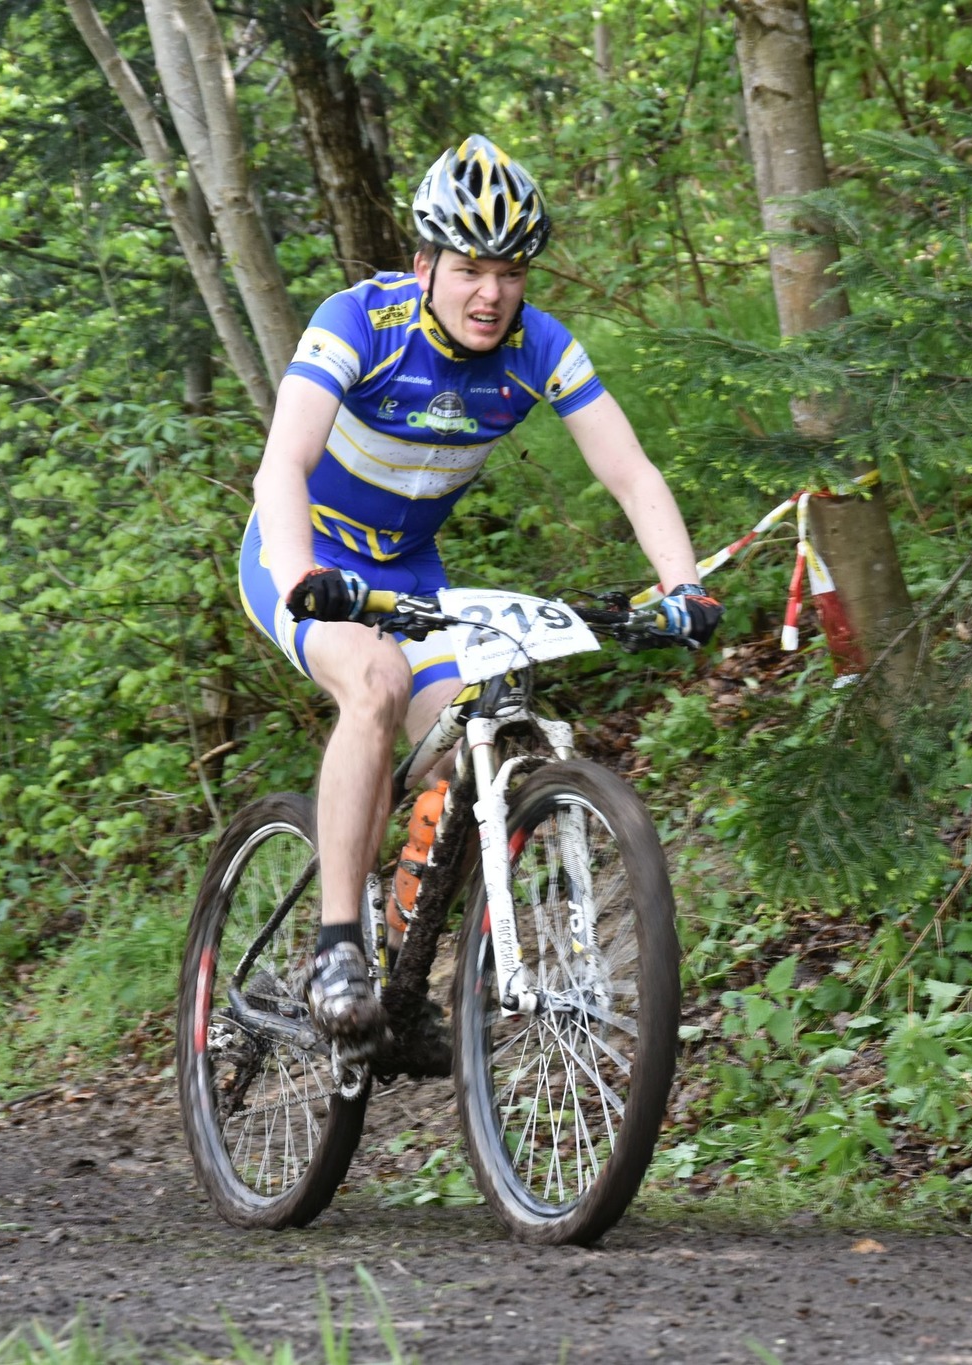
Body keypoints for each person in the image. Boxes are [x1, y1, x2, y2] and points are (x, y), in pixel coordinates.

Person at [240, 134, 720, 1049]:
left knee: (482, 744)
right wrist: (300, 569)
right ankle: (338, 945)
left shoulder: (538, 345)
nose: (490, 292)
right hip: (304, 553)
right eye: (468, 268)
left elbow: (631, 472)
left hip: (414, 570)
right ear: (424, 264)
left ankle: (408, 966)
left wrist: (683, 584)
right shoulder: (359, 323)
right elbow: (282, 463)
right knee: (374, 686)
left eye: (509, 270)